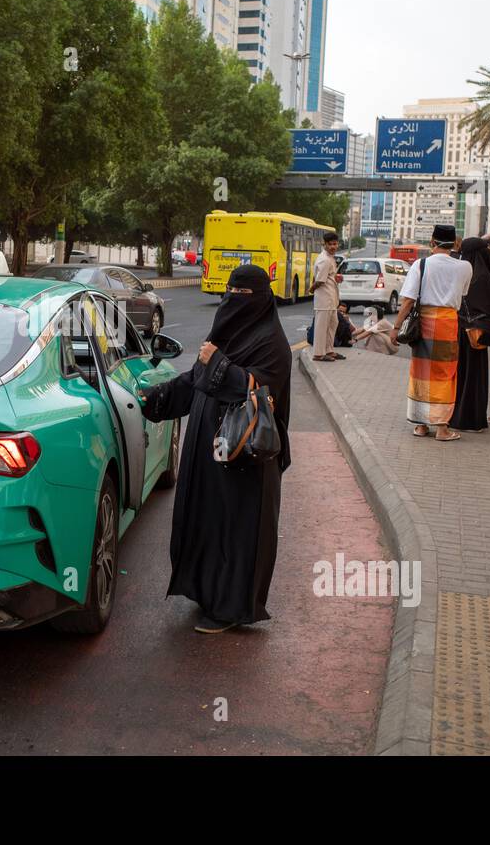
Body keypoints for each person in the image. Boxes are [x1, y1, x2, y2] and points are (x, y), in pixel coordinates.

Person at [139, 265, 292, 634]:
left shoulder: (273, 343)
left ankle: (230, 608)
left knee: (236, 530)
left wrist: (218, 363)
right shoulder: (224, 333)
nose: (232, 303)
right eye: (230, 294)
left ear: (259, 299)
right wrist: (156, 399)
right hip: (210, 449)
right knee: (207, 520)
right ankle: (206, 592)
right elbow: (196, 381)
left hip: (246, 460)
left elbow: (260, 393)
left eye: (241, 296)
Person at [391, 224, 472, 442]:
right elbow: (462, 294)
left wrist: (396, 327)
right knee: (445, 374)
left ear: (432, 243)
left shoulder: (421, 264)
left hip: (424, 323)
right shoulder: (465, 267)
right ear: (455, 244)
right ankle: (442, 428)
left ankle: (420, 425)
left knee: (421, 373)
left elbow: (408, 300)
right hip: (448, 323)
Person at [449, 237, 490, 432]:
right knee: (474, 377)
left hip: (459, 332)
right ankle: (471, 419)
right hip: (476, 335)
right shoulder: (483, 276)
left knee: (460, 377)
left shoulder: (462, 273)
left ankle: (458, 416)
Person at [310, 231, 344, 362]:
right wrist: (311, 289)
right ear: (324, 244)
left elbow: (329, 276)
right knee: (321, 326)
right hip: (324, 298)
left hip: (330, 297)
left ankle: (329, 350)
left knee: (332, 324)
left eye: (335, 244)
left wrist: (336, 278)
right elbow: (320, 280)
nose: (333, 247)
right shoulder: (324, 259)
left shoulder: (330, 257)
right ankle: (318, 354)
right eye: (330, 244)